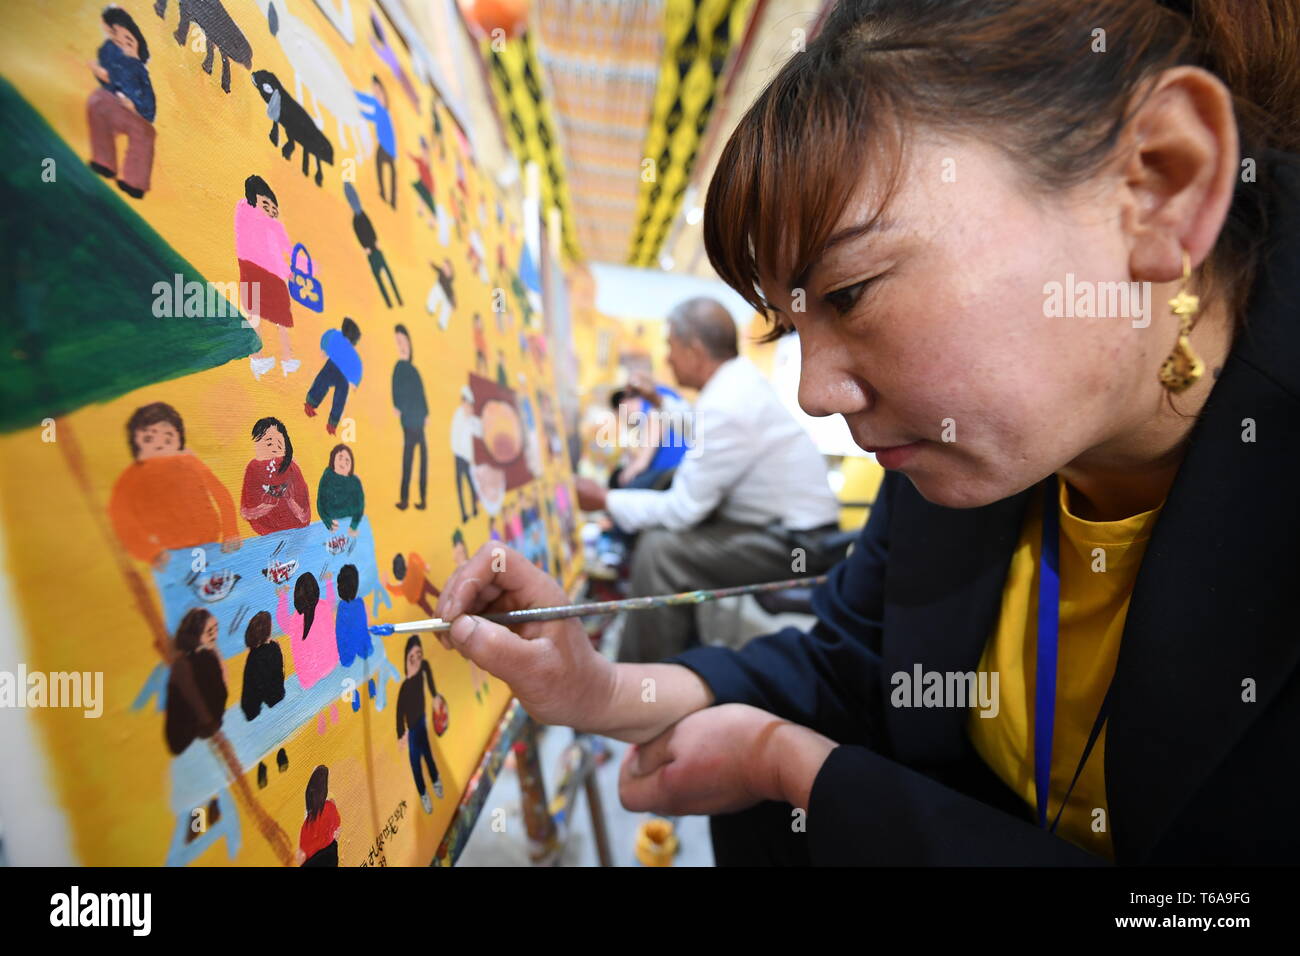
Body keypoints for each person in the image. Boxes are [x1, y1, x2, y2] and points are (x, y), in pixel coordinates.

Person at [432, 0, 1300, 865]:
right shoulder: (968, 465)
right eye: (789, 327)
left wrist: (801, 772)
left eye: (850, 292)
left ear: (1158, 183)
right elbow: (852, 661)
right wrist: (603, 686)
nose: (815, 393)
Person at [577, 298, 841, 662]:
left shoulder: (728, 403)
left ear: (694, 350)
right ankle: (680, 652)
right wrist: (660, 402)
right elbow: (700, 427)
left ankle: (643, 683)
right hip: (785, 530)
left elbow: (682, 510)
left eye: (671, 346)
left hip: (799, 545)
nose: (667, 358)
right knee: (664, 497)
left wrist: (605, 500)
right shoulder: (735, 385)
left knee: (662, 552)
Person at [109, 402, 241, 569]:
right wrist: (149, 552)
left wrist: (230, 532)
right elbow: (120, 515)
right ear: (136, 443)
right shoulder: (133, 475)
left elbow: (222, 495)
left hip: (209, 544)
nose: (160, 445)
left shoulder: (191, 463)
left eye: (168, 438)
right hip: (167, 554)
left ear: (179, 440)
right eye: (148, 439)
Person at [86, 5, 156, 200]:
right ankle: (104, 162)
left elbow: (148, 104)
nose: (122, 43)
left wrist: (136, 106)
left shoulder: (138, 68)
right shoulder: (109, 51)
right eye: (117, 37)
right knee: (96, 101)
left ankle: (135, 182)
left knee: (143, 135)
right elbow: (111, 81)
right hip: (113, 104)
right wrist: (103, 77)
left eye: (129, 41)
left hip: (138, 113)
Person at [235, 176, 298, 379]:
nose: (270, 209)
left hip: (272, 274)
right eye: (265, 203)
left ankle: (286, 359)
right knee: (256, 314)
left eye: (273, 205)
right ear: (254, 201)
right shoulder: (245, 213)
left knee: (279, 318)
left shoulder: (275, 226)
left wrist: (295, 270)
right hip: (253, 268)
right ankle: (258, 358)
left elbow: (287, 250)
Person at [164, 608, 227, 755]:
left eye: (215, 629)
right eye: (209, 631)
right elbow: (196, 700)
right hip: (191, 735)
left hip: (204, 730)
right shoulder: (193, 663)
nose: (215, 635)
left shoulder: (207, 658)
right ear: (195, 634)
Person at [396, 636, 444, 813]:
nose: (416, 659)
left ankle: (436, 779)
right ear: (407, 658)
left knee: (428, 754)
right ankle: (423, 793)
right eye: (412, 656)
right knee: (415, 762)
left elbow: (429, 674)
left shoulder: (423, 667)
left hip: (422, 721)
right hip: (412, 729)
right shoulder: (405, 686)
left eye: (419, 654)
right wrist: (401, 734)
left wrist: (435, 696)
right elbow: (399, 714)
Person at [240, 417, 310, 535]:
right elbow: (246, 512)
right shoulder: (253, 468)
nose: (274, 448)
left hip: (296, 532)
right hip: (265, 535)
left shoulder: (292, 468)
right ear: (257, 445)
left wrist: (290, 501)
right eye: (269, 442)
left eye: (279, 444)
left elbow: (305, 516)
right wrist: (266, 506)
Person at [276, 571, 338, 691]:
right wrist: (329, 582)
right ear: (316, 590)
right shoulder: (324, 606)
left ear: (297, 595)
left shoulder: (296, 619)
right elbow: (332, 602)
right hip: (330, 663)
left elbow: (283, 623)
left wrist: (283, 597)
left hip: (310, 677)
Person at [305, 317, 363, 435]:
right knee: (322, 381)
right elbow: (327, 337)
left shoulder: (350, 351)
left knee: (340, 395)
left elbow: (357, 367)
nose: (346, 342)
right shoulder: (336, 336)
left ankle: (332, 422)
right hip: (332, 367)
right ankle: (311, 403)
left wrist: (355, 383)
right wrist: (323, 349)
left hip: (342, 375)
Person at [392, 325, 428, 510]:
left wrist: (426, 413)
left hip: (419, 421)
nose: (401, 345)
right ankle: (405, 499)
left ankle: (422, 499)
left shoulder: (413, 370)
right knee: (408, 461)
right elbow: (396, 390)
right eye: (398, 342)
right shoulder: (399, 367)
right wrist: (398, 407)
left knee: (423, 461)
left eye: (403, 341)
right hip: (408, 422)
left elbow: (421, 393)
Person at [356, 75, 397, 209]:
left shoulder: (380, 104)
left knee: (383, 167)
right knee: (387, 169)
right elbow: (364, 99)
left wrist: (361, 113)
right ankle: (388, 197)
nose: (374, 90)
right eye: (373, 88)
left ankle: (388, 196)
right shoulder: (379, 102)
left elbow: (375, 117)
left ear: (379, 87)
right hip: (387, 144)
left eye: (375, 88)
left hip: (386, 144)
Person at [240, 611, 284, 721]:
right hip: (265, 704)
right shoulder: (270, 650)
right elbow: (274, 680)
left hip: (253, 706)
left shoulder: (255, 653)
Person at [297, 765, 341, 866]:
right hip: (329, 857)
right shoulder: (330, 807)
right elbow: (337, 826)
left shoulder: (306, 824)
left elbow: (303, 852)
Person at [450, 386, 482, 523]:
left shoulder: (471, 420)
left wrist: (473, 419)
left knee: (470, 484)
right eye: (467, 403)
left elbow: (479, 432)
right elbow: (455, 438)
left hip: (467, 459)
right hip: (458, 456)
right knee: (460, 486)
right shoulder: (459, 415)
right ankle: (464, 513)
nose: (468, 407)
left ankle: (474, 509)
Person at [317, 443, 365, 535]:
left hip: (350, 525)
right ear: (333, 459)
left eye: (347, 461)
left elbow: (360, 506)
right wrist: (328, 521)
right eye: (340, 458)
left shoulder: (355, 482)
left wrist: (354, 525)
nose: (343, 463)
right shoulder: (327, 477)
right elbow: (321, 504)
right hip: (332, 528)